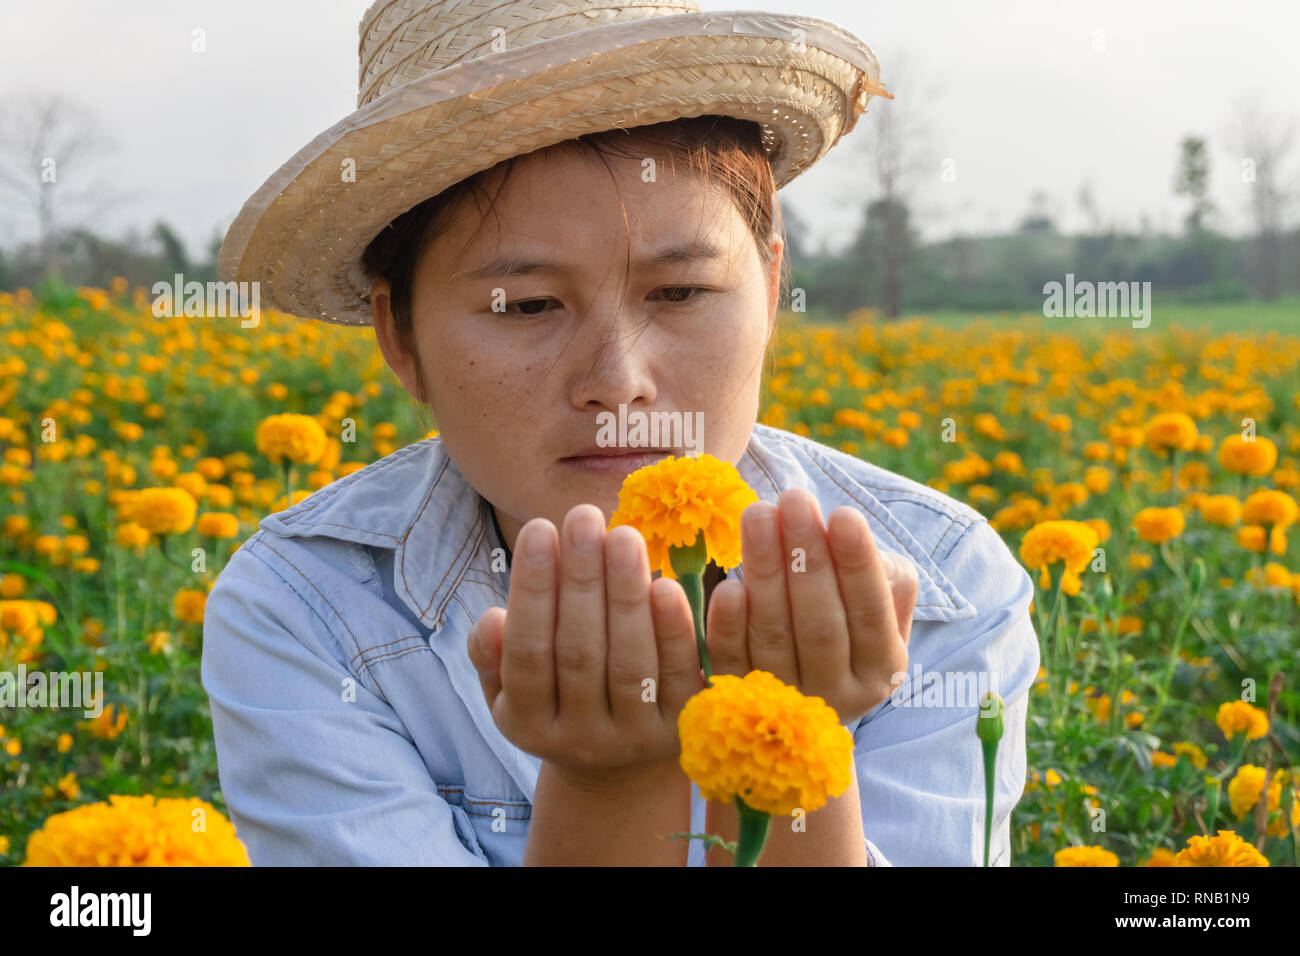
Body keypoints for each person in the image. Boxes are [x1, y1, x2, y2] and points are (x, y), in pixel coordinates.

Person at [204, 0, 1039, 866]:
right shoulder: (307, 612)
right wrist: (606, 782)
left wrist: (792, 750)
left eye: (679, 294)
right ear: (400, 337)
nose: (618, 382)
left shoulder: (940, 590)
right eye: (527, 306)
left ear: (770, 284)